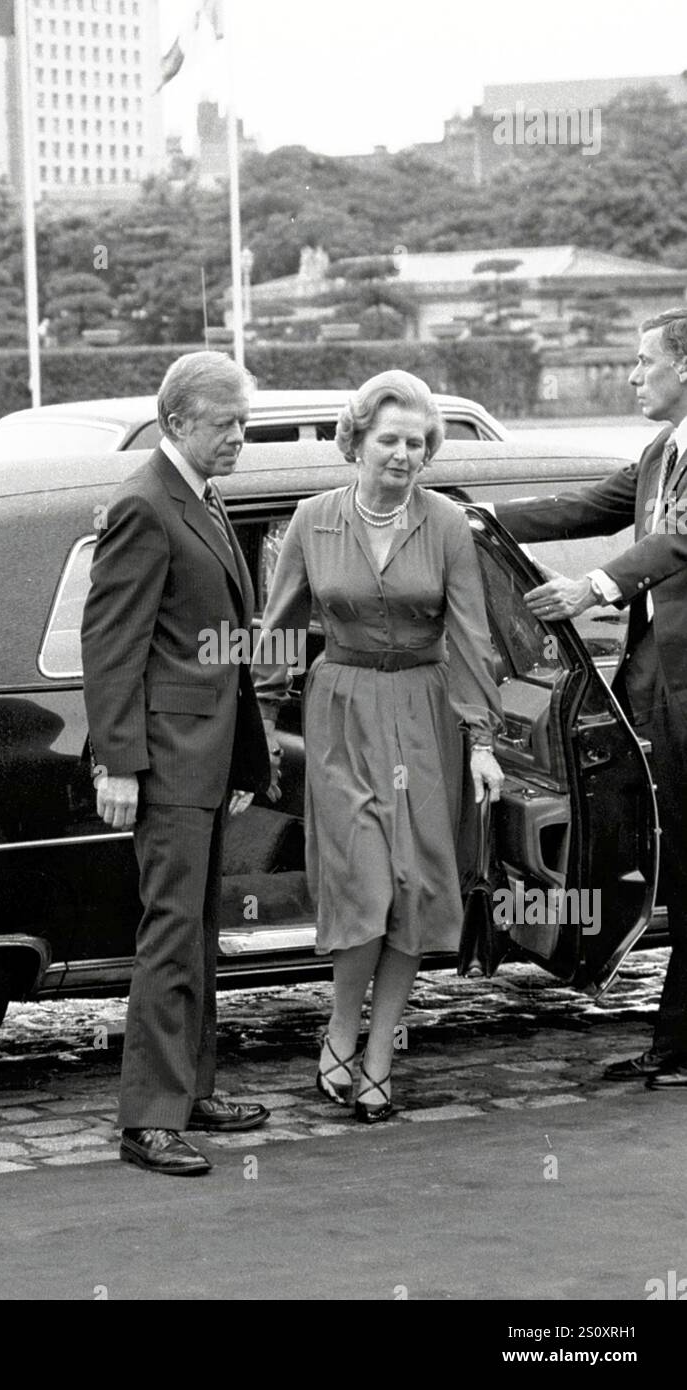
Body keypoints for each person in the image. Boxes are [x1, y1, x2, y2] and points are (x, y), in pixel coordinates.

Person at [254, 370, 504, 1122]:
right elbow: (278, 629)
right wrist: (260, 726)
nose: (402, 454)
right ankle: (338, 1029)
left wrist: (482, 740)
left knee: (413, 887)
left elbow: (469, 635)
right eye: (388, 439)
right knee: (362, 881)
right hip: (342, 713)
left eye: (416, 443)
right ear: (356, 440)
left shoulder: (448, 524)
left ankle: (382, 1050)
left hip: (425, 714)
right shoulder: (311, 518)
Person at [81, 351, 275, 1177]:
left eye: (242, 424)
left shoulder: (201, 496)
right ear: (175, 423)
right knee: (168, 937)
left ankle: (191, 1088)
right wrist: (118, 765)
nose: (238, 438)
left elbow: (217, 649)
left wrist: (239, 758)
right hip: (163, 763)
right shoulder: (144, 506)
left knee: (198, 935)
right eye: (224, 425)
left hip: (202, 757)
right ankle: (149, 1119)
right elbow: (111, 644)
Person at [495, 307, 687, 1088]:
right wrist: (459, 519)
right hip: (657, 690)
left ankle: (675, 1047)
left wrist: (595, 586)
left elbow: (677, 539)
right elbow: (584, 507)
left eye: (644, 361)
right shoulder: (659, 453)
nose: (633, 375)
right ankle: (675, 1048)